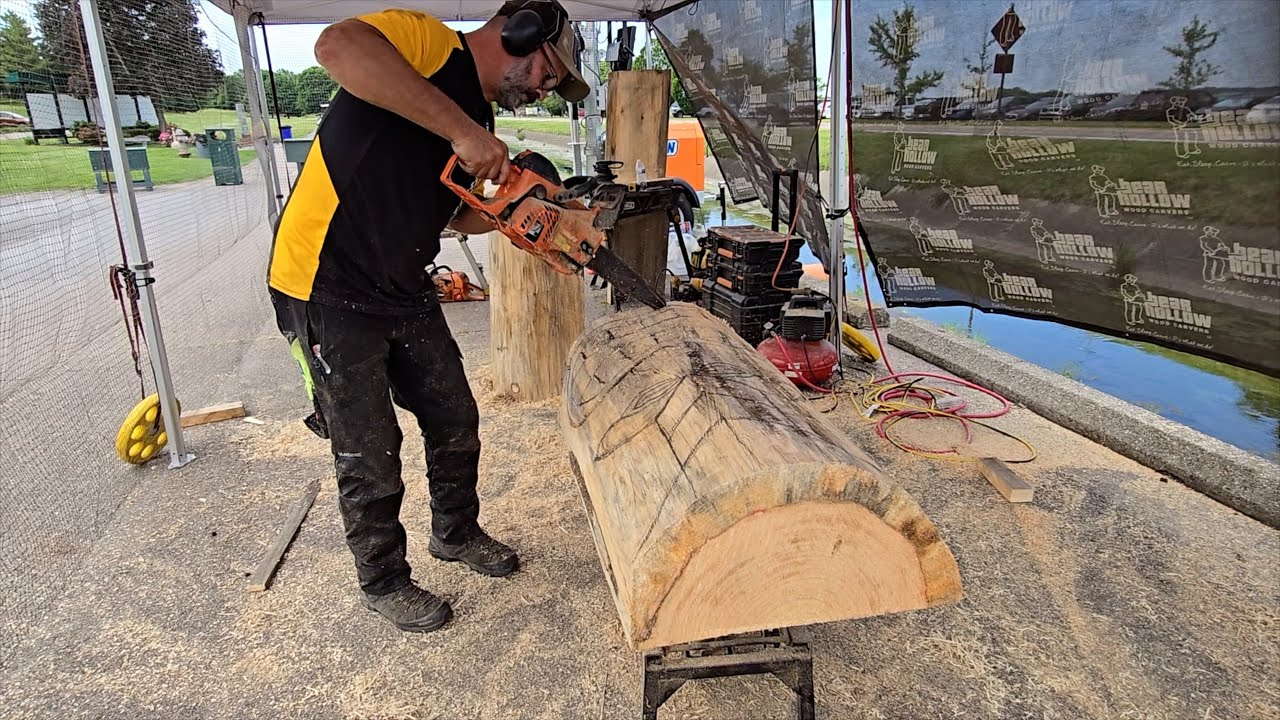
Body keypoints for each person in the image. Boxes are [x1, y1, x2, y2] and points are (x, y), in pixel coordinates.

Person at [265, 0, 589, 634]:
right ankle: (383, 579)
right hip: (324, 280)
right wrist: (463, 131)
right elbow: (336, 46)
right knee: (369, 447)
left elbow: (451, 209)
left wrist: (512, 211)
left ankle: (456, 532)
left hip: (401, 283)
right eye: (550, 74)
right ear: (522, 34)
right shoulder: (427, 43)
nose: (545, 92)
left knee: (453, 413)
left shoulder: (480, 119)